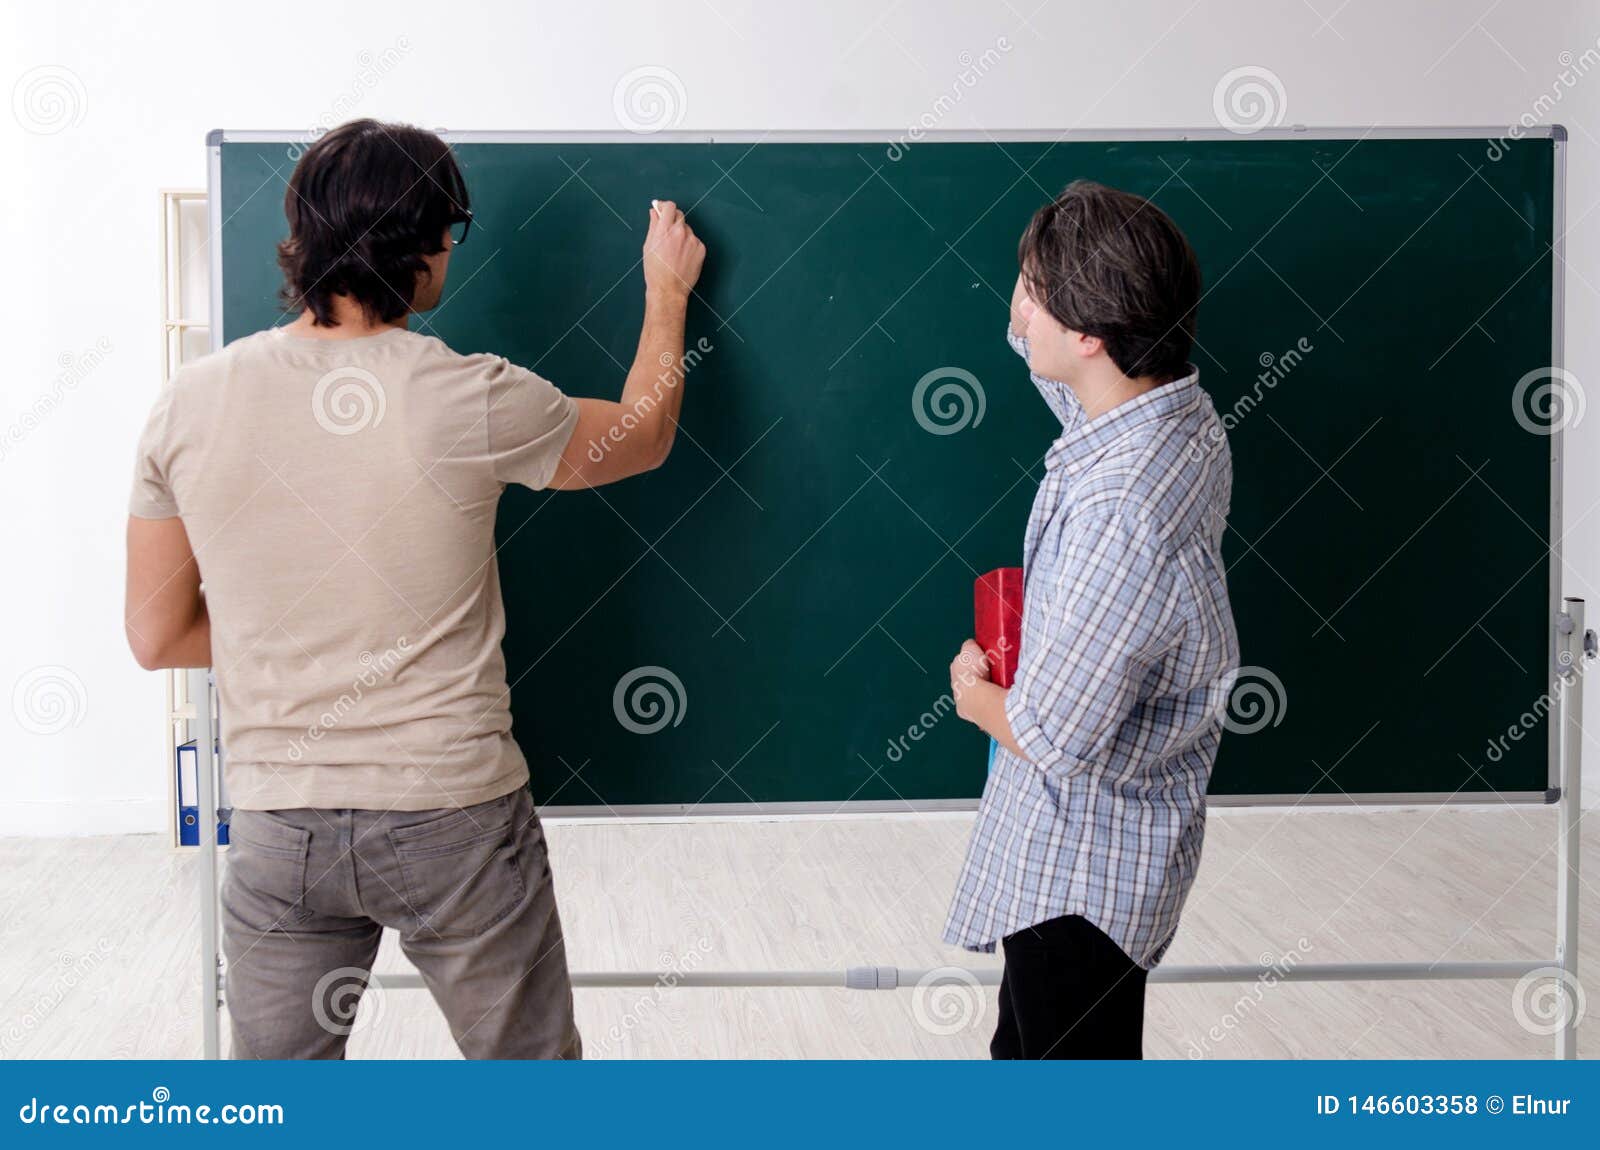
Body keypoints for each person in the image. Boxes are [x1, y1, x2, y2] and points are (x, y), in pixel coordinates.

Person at [123, 118, 705, 1058]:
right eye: (449, 232)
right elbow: (643, 436)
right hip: (455, 820)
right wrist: (667, 293)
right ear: (423, 247)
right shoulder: (467, 394)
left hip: (281, 823)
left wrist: (300, 639)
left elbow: (155, 636)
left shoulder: (186, 403)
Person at [945, 179, 1239, 1059]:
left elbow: (1055, 732)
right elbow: (1041, 344)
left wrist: (972, 691)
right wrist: (1055, 258)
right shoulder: (1176, 414)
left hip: (1077, 871)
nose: (1017, 311)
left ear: (1091, 335)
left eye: (1032, 293)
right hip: (1109, 862)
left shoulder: (1120, 506)